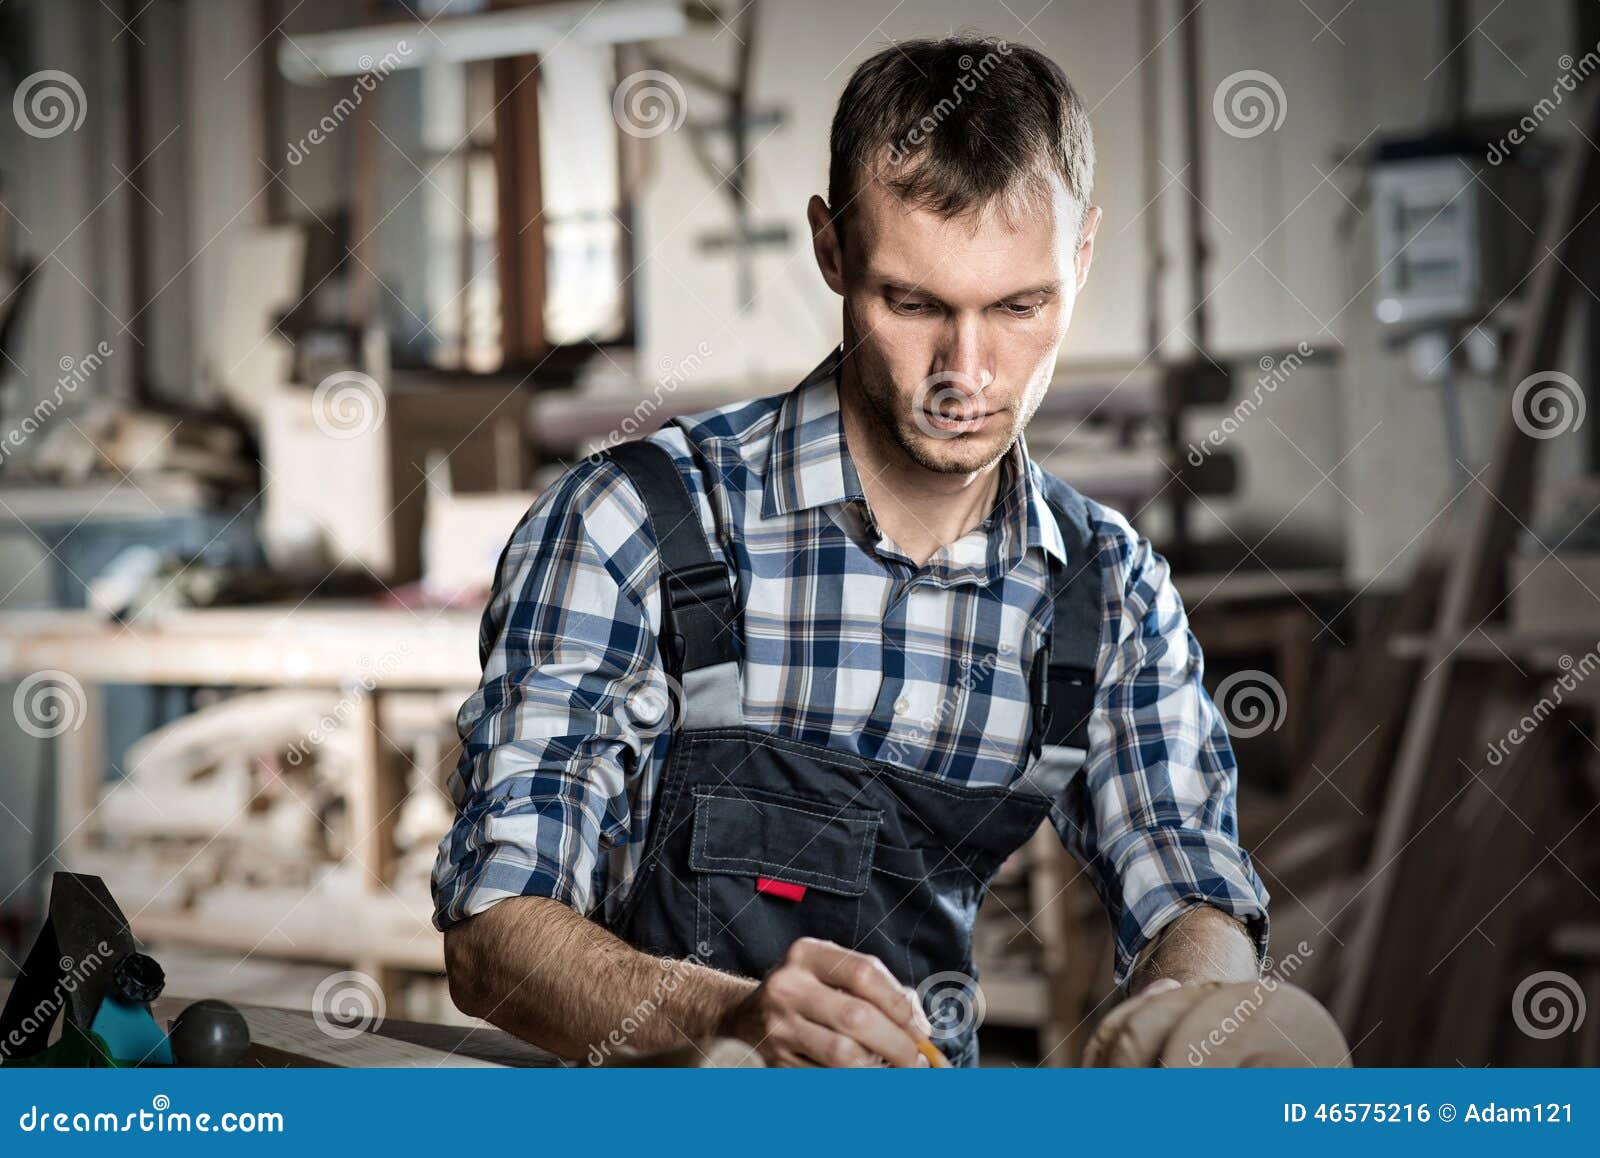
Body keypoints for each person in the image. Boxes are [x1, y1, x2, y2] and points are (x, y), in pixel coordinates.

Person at [433, 34, 1268, 1067]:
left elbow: (1197, 891)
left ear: (1081, 259)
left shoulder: (1106, 594)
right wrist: (731, 1021)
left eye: (1021, 307)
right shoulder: (631, 525)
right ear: (831, 250)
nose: (967, 373)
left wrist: (1181, 1025)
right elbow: (492, 936)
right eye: (913, 303)